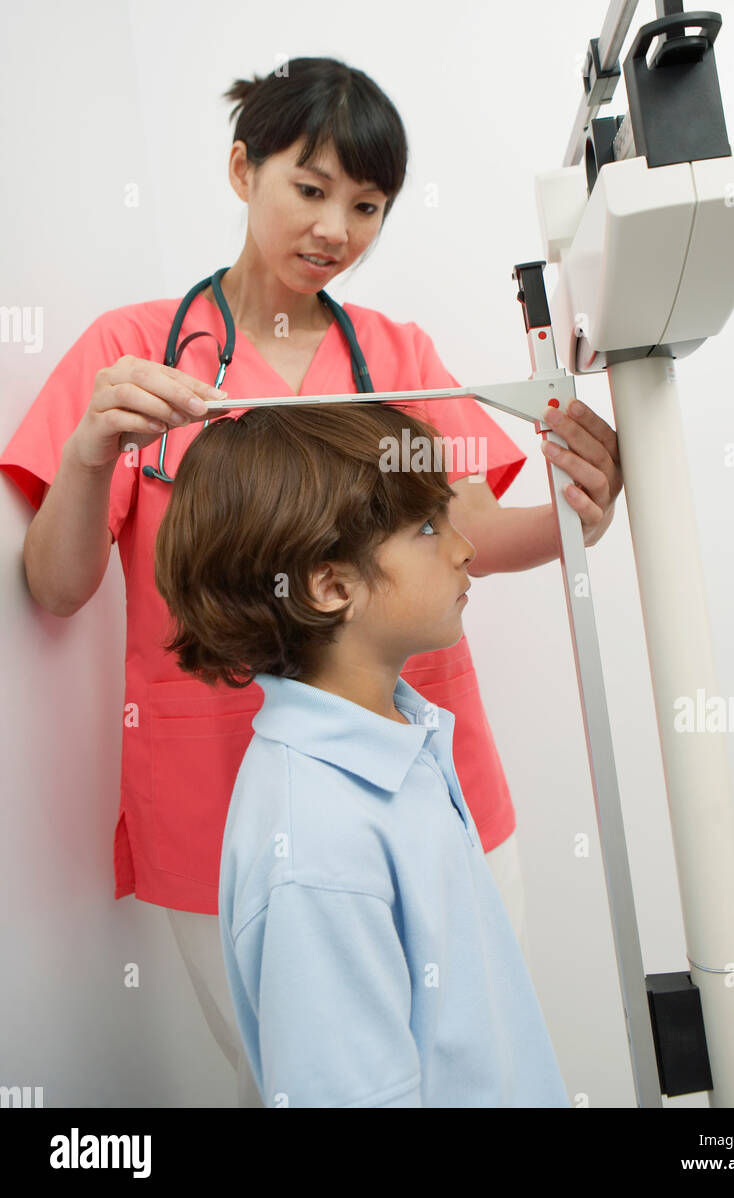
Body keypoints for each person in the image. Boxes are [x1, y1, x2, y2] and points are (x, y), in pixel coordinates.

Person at [0, 56, 622, 1108]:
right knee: (298, 1080)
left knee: (481, 1060)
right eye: (310, 187)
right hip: (215, 797)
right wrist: (94, 449)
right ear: (243, 170)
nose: (336, 226)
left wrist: (583, 516)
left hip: (419, 774)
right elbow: (58, 589)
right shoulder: (135, 352)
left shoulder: (392, 356)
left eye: (366, 204)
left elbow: (468, 527)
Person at [153, 399, 572, 1108]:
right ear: (330, 586)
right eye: (429, 526)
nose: (464, 548)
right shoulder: (317, 847)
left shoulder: (401, 741)